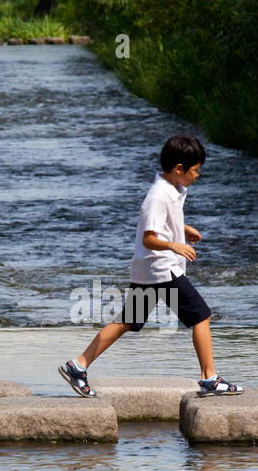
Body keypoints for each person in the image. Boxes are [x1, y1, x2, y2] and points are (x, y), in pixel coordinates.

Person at [59, 134, 244, 398]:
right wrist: (174, 246)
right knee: (201, 315)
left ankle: (77, 366)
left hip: (150, 271)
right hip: (161, 269)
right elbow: (149, 238)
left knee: (128, 321)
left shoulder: (171, 189)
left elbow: (160, 226)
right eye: (196, 171)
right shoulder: (158, 196)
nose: (197, 176)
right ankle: (209, 379)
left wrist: (182, 229)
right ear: (179, 168)